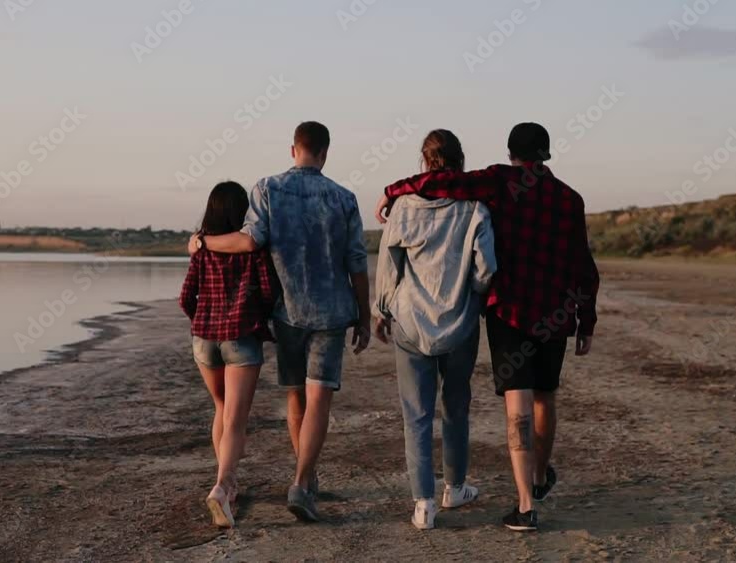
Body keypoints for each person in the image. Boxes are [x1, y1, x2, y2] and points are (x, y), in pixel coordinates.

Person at [375, 122, 600, 532]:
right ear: (546, 154)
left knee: (516, 405)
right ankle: (537, 475)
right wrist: (587, 318)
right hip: (555, 311)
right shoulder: (570, 198)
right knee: (544, 398)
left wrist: (393, 191)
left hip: (511, 312)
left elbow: (443, 182)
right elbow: (582, 262)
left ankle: (526, 505)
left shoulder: (498, 181)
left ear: (511, 151)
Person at [189, 121, 371, 522]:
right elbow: (357, 261)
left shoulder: (267, 189)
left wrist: (203, 243)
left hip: (287, 313)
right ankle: (303, 482)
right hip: (332, 313)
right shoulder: (344, 198)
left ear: (294, 150)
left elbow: (250, 241)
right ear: (324, 152)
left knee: (295, 397)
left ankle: (302, 475)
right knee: (319, 398)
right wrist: (364, 315)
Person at [373, 129, 497, 530]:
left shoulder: (403, 209)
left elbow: (389, 265)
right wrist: (472, 295)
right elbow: (487, 269)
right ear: (460, 161)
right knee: (456, 407)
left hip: (410, 323)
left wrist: (381, 309)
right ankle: (455, 488)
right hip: (460, 324)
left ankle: (423, 504)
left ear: (424, 162)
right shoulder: (476, 209)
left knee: (416, 414)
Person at [180, 181, 276, 528]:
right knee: (236, 417)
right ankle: (221, 486)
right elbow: (267, 293)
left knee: (221, 408)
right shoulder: (252, 249)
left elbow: (185, 296)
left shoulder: (201, 249)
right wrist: (256, 317)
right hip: (240, 338)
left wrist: (202, 321)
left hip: (204, 339)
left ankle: (229, 485)